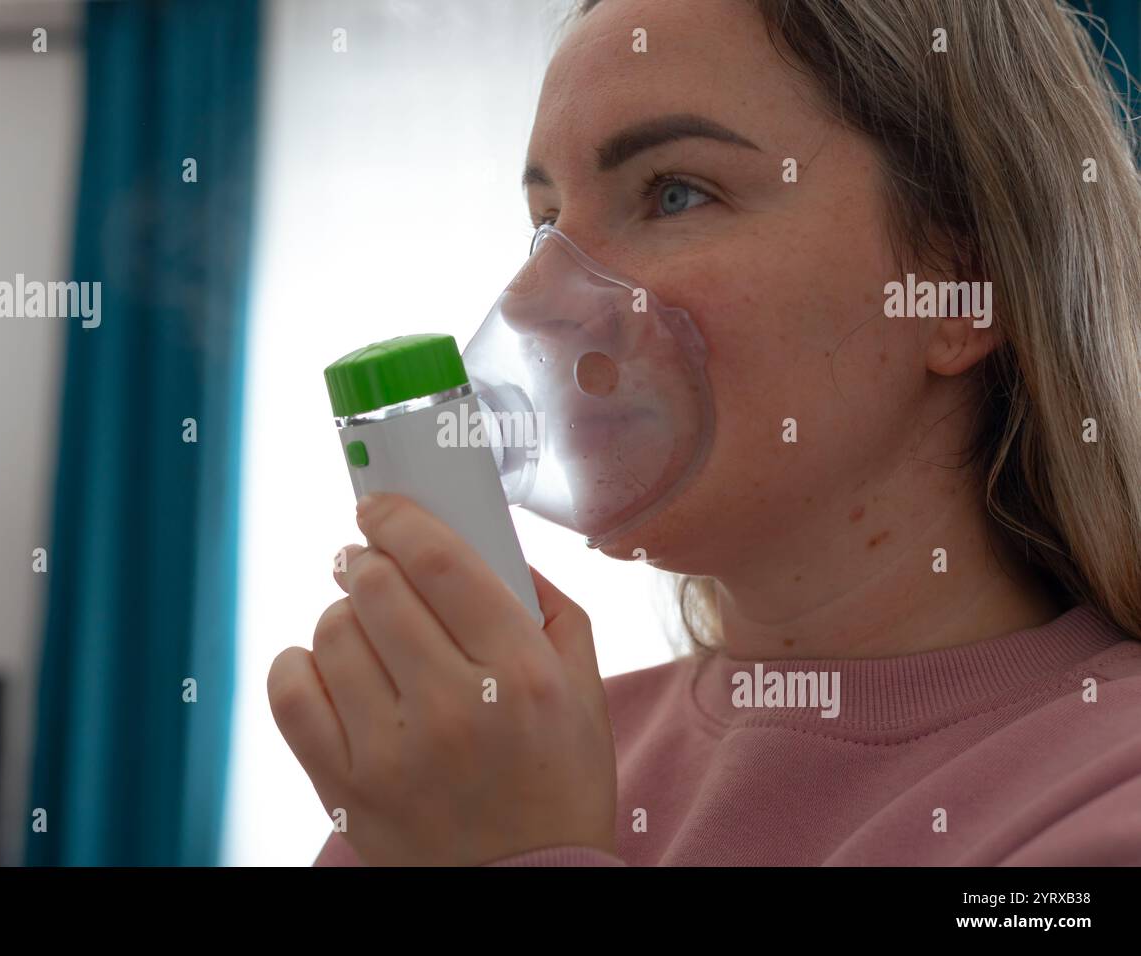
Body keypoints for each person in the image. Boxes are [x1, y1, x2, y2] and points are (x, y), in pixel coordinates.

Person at [268, 0, 1141, 866]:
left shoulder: (1108, 788)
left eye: (674, 194)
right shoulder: (493, 768)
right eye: (545, 223)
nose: (532, 303)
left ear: (960, 284)